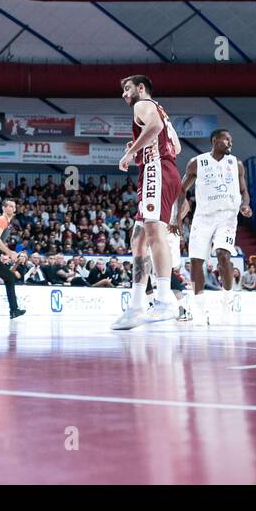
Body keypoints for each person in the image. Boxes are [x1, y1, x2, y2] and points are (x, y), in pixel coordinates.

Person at [112, 75, 183, 329]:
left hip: (157, 170)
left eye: (127, 88)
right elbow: (176, 145)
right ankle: (136, 306)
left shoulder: (142, 105)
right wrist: (142, 147)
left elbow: (155, 129)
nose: (124, 94)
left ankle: (165, 300)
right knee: (138, 238)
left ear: (141, 88)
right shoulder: (161, 110)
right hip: (162, 169)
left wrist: (131, 153)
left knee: (153, 232)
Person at [176, 128, 253, 324]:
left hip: (227, 217)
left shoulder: (236, 164)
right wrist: (177, 217)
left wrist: (245, 205)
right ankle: (200, 308)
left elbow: (244, 191)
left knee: (223, 255)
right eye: (227, 139)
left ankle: (227, 302)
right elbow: (182, 190)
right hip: (202, 217)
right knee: (195, 263)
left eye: (231, 140)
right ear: (215, 140)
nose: (230, 143)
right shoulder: (197, 163)